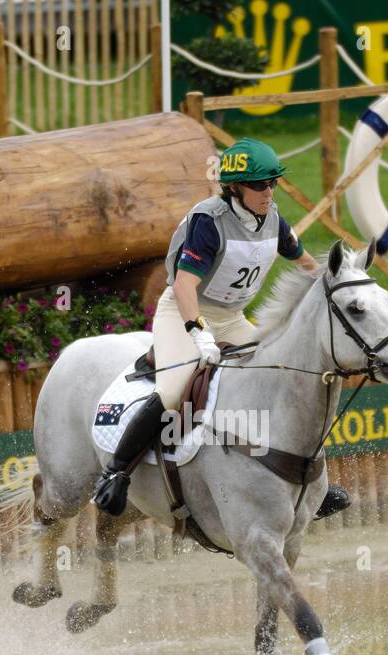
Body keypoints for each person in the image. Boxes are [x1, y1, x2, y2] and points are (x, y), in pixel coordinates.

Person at [91, 137, 351, 522]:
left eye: (273, 183)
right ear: (234, 187)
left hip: (232, 315)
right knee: (174, 388)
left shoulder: (273, 219)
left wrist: (341, 281)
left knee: (281, 373)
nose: (269, 191)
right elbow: (183, 286)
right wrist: (199, 334)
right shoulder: (208, 223)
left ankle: (313, 485)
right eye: (260, 185)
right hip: (184, 312)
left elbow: (308, 265)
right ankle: (115, 473)